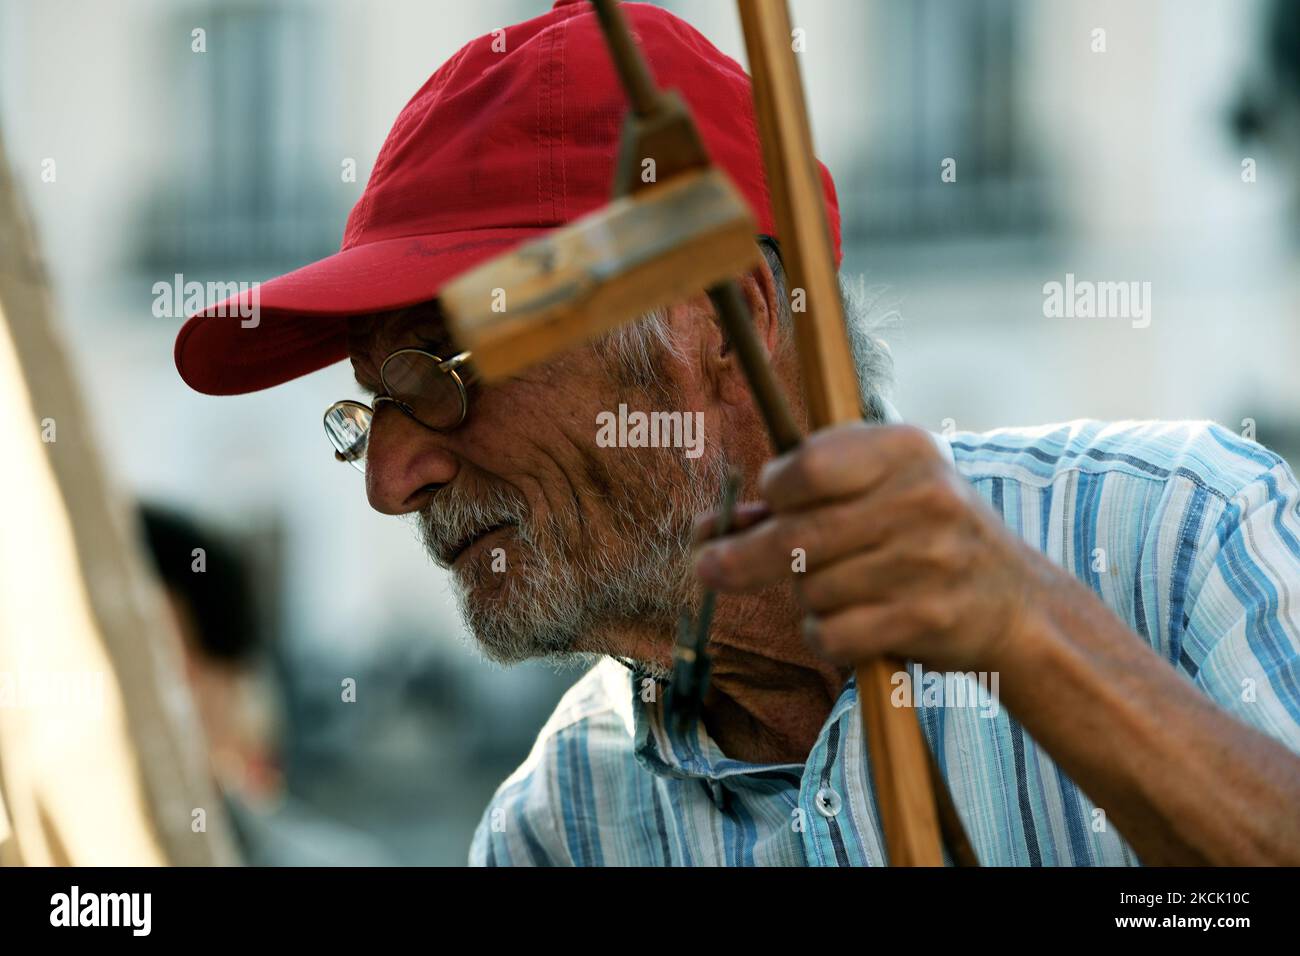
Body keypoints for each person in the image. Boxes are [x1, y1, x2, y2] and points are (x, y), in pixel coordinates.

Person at [173, 1, 1300, 865]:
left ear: (723, 315)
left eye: (438, 373)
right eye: (370, 407)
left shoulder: (1168, 538)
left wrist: (1032, 638)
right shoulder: (559, 827)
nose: (390, 477)